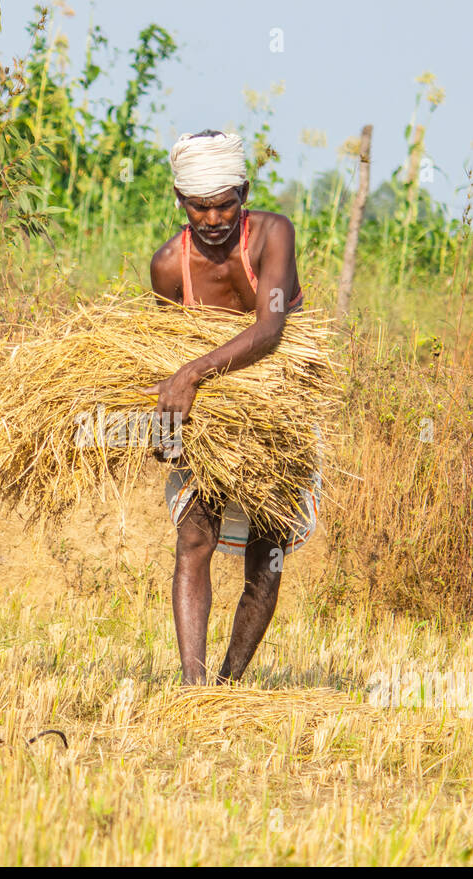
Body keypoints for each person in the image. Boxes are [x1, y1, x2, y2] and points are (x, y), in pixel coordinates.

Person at [145, 129, 319, 686]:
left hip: (275, 401)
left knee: (267, 554)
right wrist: (167, 428)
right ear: (179, 201)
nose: (214, 218)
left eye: (226, 203)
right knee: (195, 538)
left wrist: (193, 374)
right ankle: (195, 690)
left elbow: (270, 329)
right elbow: (164, 354)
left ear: (244, 191)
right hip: (211, 414)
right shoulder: (169, 267)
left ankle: (230, 682)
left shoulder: (273, 235)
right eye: (200, 206)